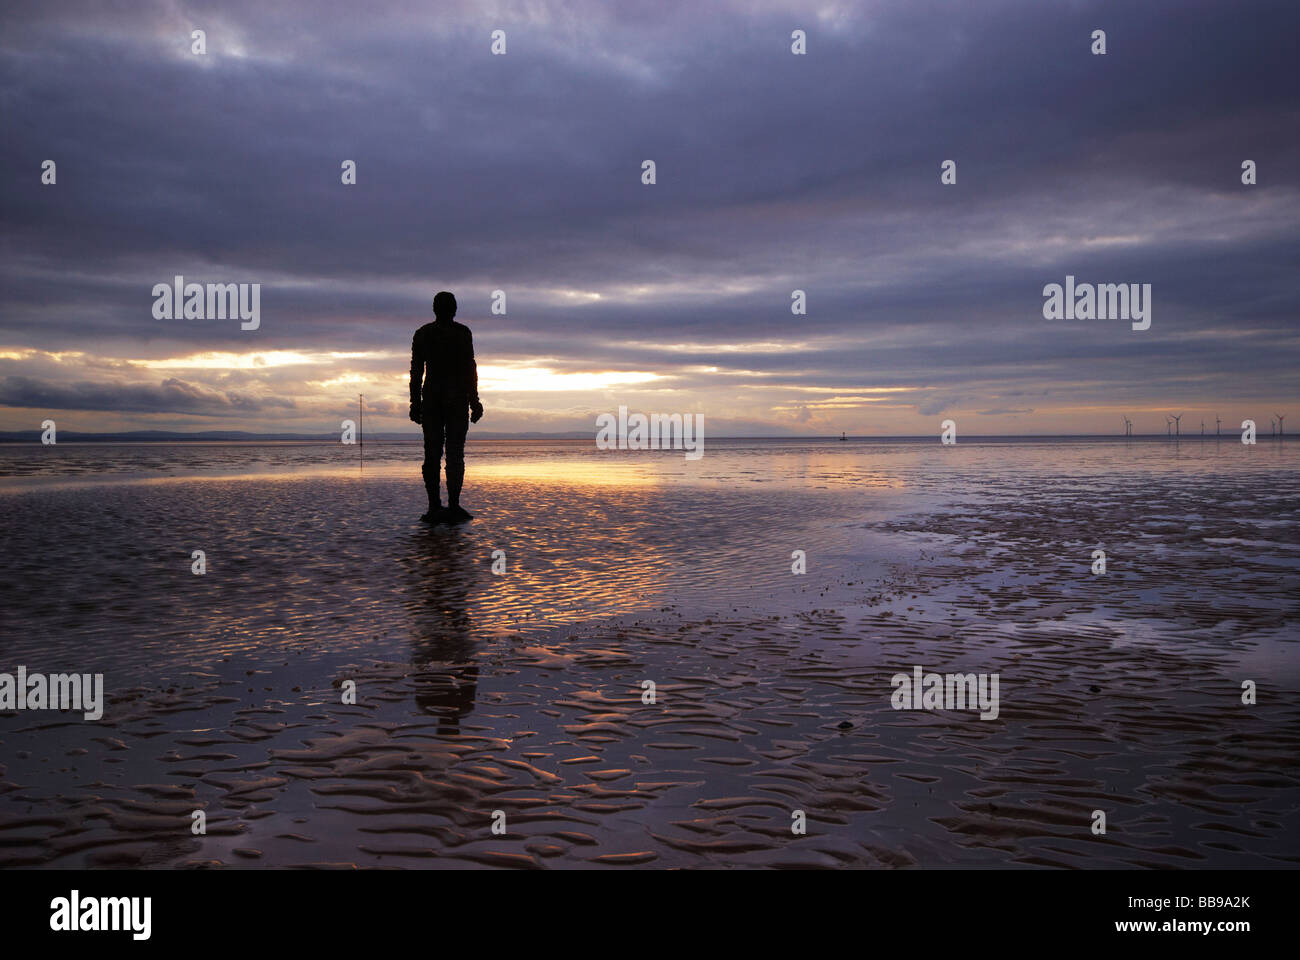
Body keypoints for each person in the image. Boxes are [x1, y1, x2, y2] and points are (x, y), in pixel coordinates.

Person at [409, 291, 483, 522]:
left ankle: (447, 506)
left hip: (447, 400)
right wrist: (415, 403)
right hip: (440, 400)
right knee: (444, 454)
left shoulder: (458, 333)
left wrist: (474, 401)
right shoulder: (431, 334)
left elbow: (469, 369)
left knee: (446, 454)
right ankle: (439, 506)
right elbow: (417, 371)